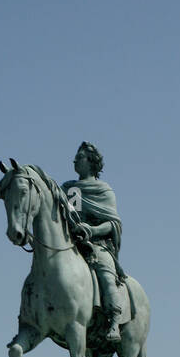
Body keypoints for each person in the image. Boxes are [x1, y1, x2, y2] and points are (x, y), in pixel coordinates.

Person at [62, 142, 127, 343]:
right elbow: (68, 217)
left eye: (79, 157)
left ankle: (113, 320)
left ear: (91, 163)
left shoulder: (103, 190)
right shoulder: (70, 189)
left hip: (98, 245)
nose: (74, 160)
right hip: (70, 243)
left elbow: (113, 223)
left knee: (106, 273)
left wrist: (92, 230)